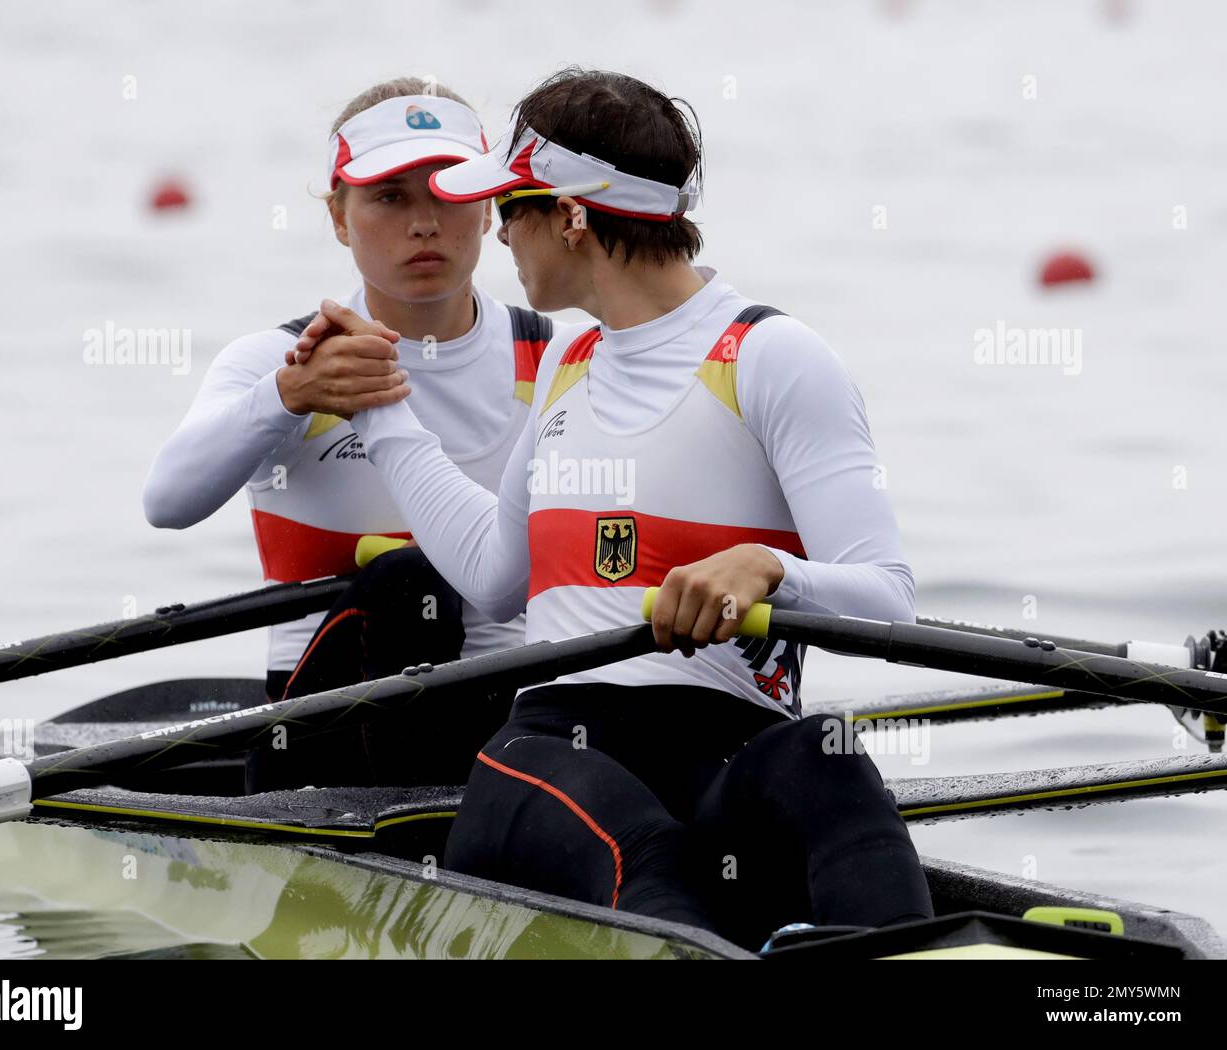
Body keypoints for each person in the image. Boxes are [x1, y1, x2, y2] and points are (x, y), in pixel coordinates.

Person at [294, 68, 933, 949]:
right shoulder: (572, 362)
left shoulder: (774, 358)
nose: (499, 234)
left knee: (825, 755)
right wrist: (388, 409)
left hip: (729, 750)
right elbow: (494, 579)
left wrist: (774, 570)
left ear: (571, 215)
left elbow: (890, 600)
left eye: (510, 208)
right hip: (550, 754)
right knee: (640, 849)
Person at [142, 78, 556, 791]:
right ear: (339, 216)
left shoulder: (555, 359)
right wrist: (290, 396)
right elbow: (167, 502)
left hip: (508, 716)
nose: (424, 222)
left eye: (451, 189)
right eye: (391, 197)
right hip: (317, 735)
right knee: (407, 580)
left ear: (488, 208)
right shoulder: (279, 359)